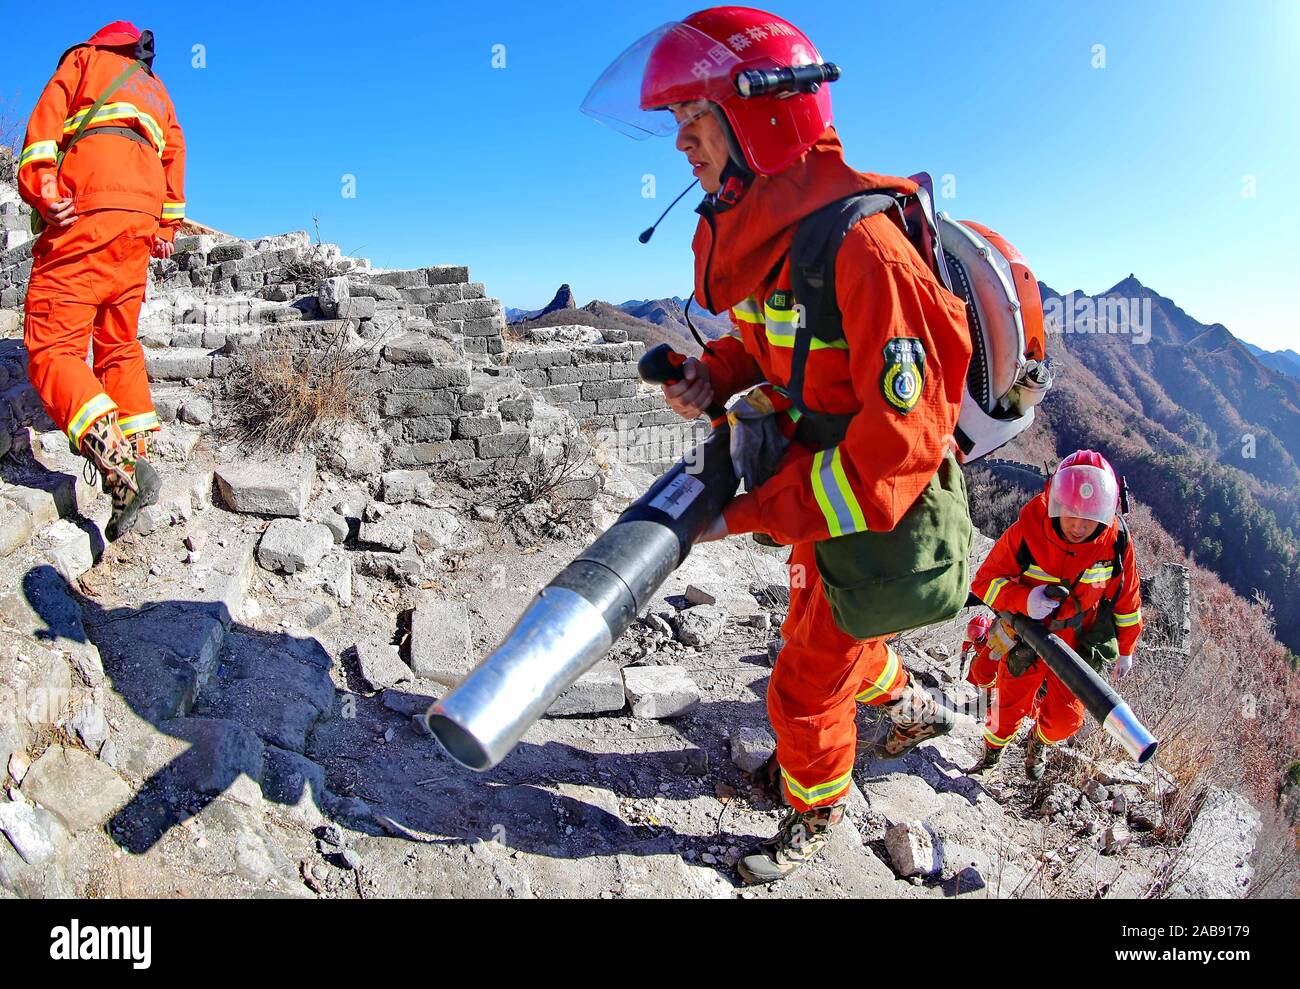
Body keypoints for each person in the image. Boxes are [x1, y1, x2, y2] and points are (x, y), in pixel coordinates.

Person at [583, 7, 973, 884]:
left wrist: (743, 512)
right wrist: (711, 376)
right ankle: (903, 702)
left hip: (875, 512)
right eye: (675, 122)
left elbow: (897, 451)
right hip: (818, 491)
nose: (680, 143)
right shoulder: (776, 234)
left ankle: (813, 804)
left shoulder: (865, 249)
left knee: (800, 681)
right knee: (818, 618)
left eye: (694, 118)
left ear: (760, 114)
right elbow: (772, 345)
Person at [17, 21, 185, 540]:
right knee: (117, 344)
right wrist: (166, 224)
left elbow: (45, 125)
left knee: (53, 349)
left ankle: (124, 473)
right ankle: (138, 455)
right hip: (137, 226)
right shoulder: (156, 91)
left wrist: (42, 185)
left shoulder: (84, 60)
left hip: (86, 212)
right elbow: (174, 152)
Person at [967, 450, 1143, 779]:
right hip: (1026, 635)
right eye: (1070, 514)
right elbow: (984, 583)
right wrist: (1023, 599)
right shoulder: (1028, 532)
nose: (1078, 526)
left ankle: (1039, 742)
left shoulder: (1115, 543)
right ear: (1053, 501)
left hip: (1077, 644)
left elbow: (1126, 599)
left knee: (1066, 719)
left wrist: (1127, 648)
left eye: (1089, 518)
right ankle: (992, 752)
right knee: (1006, 709)